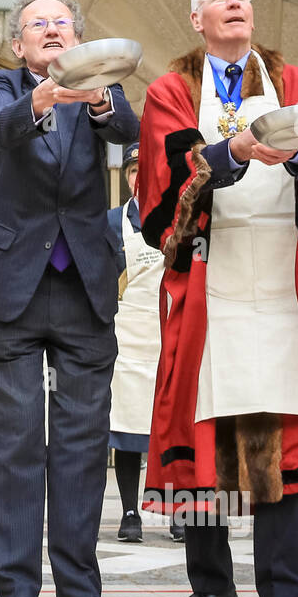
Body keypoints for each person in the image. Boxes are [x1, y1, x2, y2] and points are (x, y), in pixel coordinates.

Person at [138, 0, 298, 597]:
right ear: (197, 18)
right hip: (213, 272)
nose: (238, 5)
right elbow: (163, 181)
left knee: (278, 439)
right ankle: (211, 587)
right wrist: (231, 151)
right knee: (203, 433)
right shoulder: (172, 89)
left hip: (285, 278)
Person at [0, 0, 138, 597]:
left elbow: (127, 130)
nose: (49, 30)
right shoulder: (1, 85)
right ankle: (15, 591)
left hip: (85, 285)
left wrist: (93, 98)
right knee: (12, 444)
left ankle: (79, 590)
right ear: (19, 45)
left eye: (60, 23)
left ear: (78, 40)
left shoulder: (103, 88)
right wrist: (42, 97)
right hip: (13, 283)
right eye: (36, 24)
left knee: (81, 445)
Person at [108, 141, 183, 544]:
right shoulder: (109, 223)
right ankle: (129, 511)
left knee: (172, 430)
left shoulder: (179, 220)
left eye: (146, 170)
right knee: (126, 430)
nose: (139, 177)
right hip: (128, 341)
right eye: (133, 171)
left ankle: (176, 511)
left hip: (172, 337)